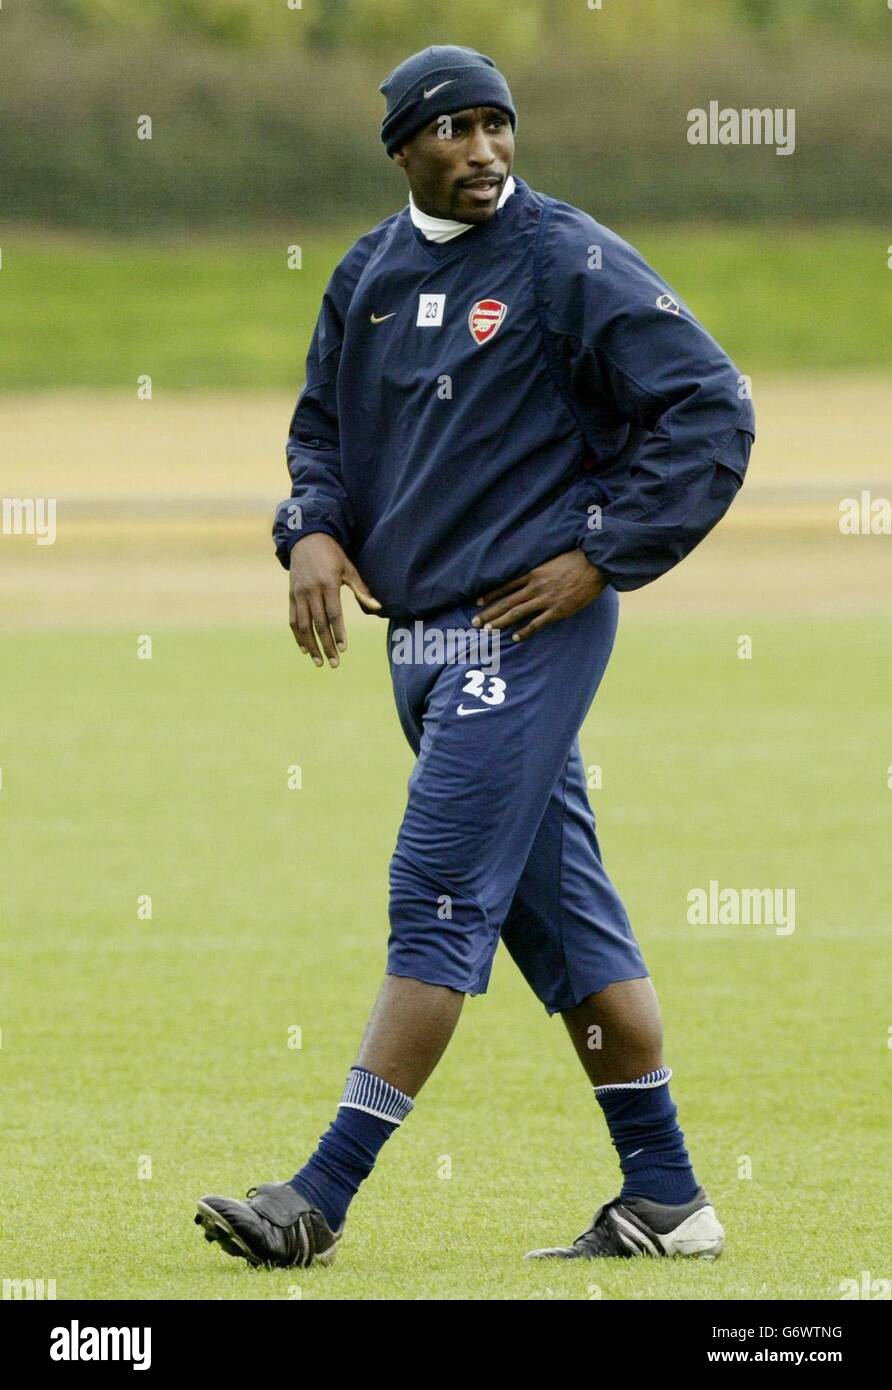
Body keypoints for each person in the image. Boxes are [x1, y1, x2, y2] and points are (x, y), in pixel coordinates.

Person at [195, 44, 754, 1269]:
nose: (485, 150)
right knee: (567, 932)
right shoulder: (370, 272)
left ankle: (317, 1197)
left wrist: (600, 553)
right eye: (453, 129)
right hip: (424, 644)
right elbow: (321, 433)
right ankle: (668, 1199)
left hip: (527, 631)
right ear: (402, 149)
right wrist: (312, 534)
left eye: (498, 124)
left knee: (435, 892)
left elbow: (711, 407)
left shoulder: (568, 259)